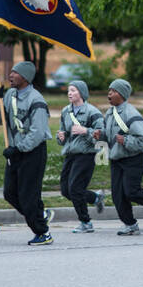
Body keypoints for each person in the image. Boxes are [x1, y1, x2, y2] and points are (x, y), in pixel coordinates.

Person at [94, 78, 143, 235]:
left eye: (113, 91)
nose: (109, 93)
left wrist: (126, 140)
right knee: (118, 195)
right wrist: (100, 135)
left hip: (133, 158)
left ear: (122, 94)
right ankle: (130, 225)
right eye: (109, 90)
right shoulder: (109, 113)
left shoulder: (131, 114)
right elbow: (109, 136)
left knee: (131, 191)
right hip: (117, 159)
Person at [0, 61, 55, 244]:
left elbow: (38, 132)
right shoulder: (10, 95)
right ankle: (40, 214)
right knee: (10, 193)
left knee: (28, 196)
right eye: (10, 72)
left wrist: (19, 148)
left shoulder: (37, 100)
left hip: (32, 152)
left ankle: (43, 232)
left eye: (15, 73)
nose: (10, 75)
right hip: (15, 152)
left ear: (25, 77)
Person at [55, 79, 104, 232]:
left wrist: (86, 131)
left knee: (75, 188)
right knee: (65, 190)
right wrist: (61, 137)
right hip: (70, 153)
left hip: (86, 154)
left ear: (81, 93)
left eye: (73, 90)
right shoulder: (65, 111)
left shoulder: (92, 112)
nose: (70, 93)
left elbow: (102, 135)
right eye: (69, 90)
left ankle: (86, 223)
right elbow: (62, 133)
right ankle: (95, 198)